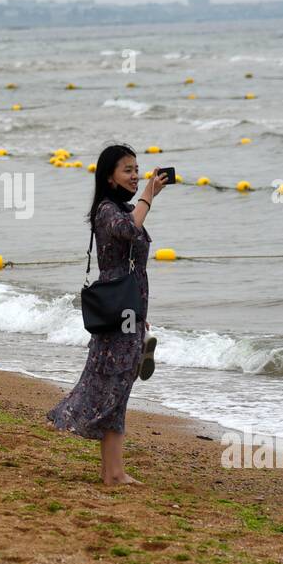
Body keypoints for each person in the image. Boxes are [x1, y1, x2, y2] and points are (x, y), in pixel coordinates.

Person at [47, 145, 169, 486]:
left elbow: (134, 236)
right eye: (127, 170)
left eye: (137, 169)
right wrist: (148, 195)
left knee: (119, 384)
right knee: (113, 384)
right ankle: (111, 469)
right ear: (109, 176)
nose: (135, 175)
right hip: (117, 309)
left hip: (128, 307)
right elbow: (129, 231)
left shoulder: (122, 208)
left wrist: (140, 314)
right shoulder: (106, 211)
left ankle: (112, 471)